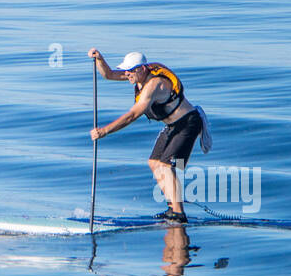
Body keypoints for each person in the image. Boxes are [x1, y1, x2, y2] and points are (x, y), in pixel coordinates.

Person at [88, 49, 207, 223]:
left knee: (167, 166)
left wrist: (104, 131)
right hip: (173, 125)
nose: (127, 73)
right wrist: (99, 59)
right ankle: (171, 208)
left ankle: (179, 214)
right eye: (126, 70)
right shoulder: (137, 75)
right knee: (154, 162)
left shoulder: (154, 85)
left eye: (131, 70)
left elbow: (132, 115)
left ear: (142, 69)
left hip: (188, 124)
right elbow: (109, 74)